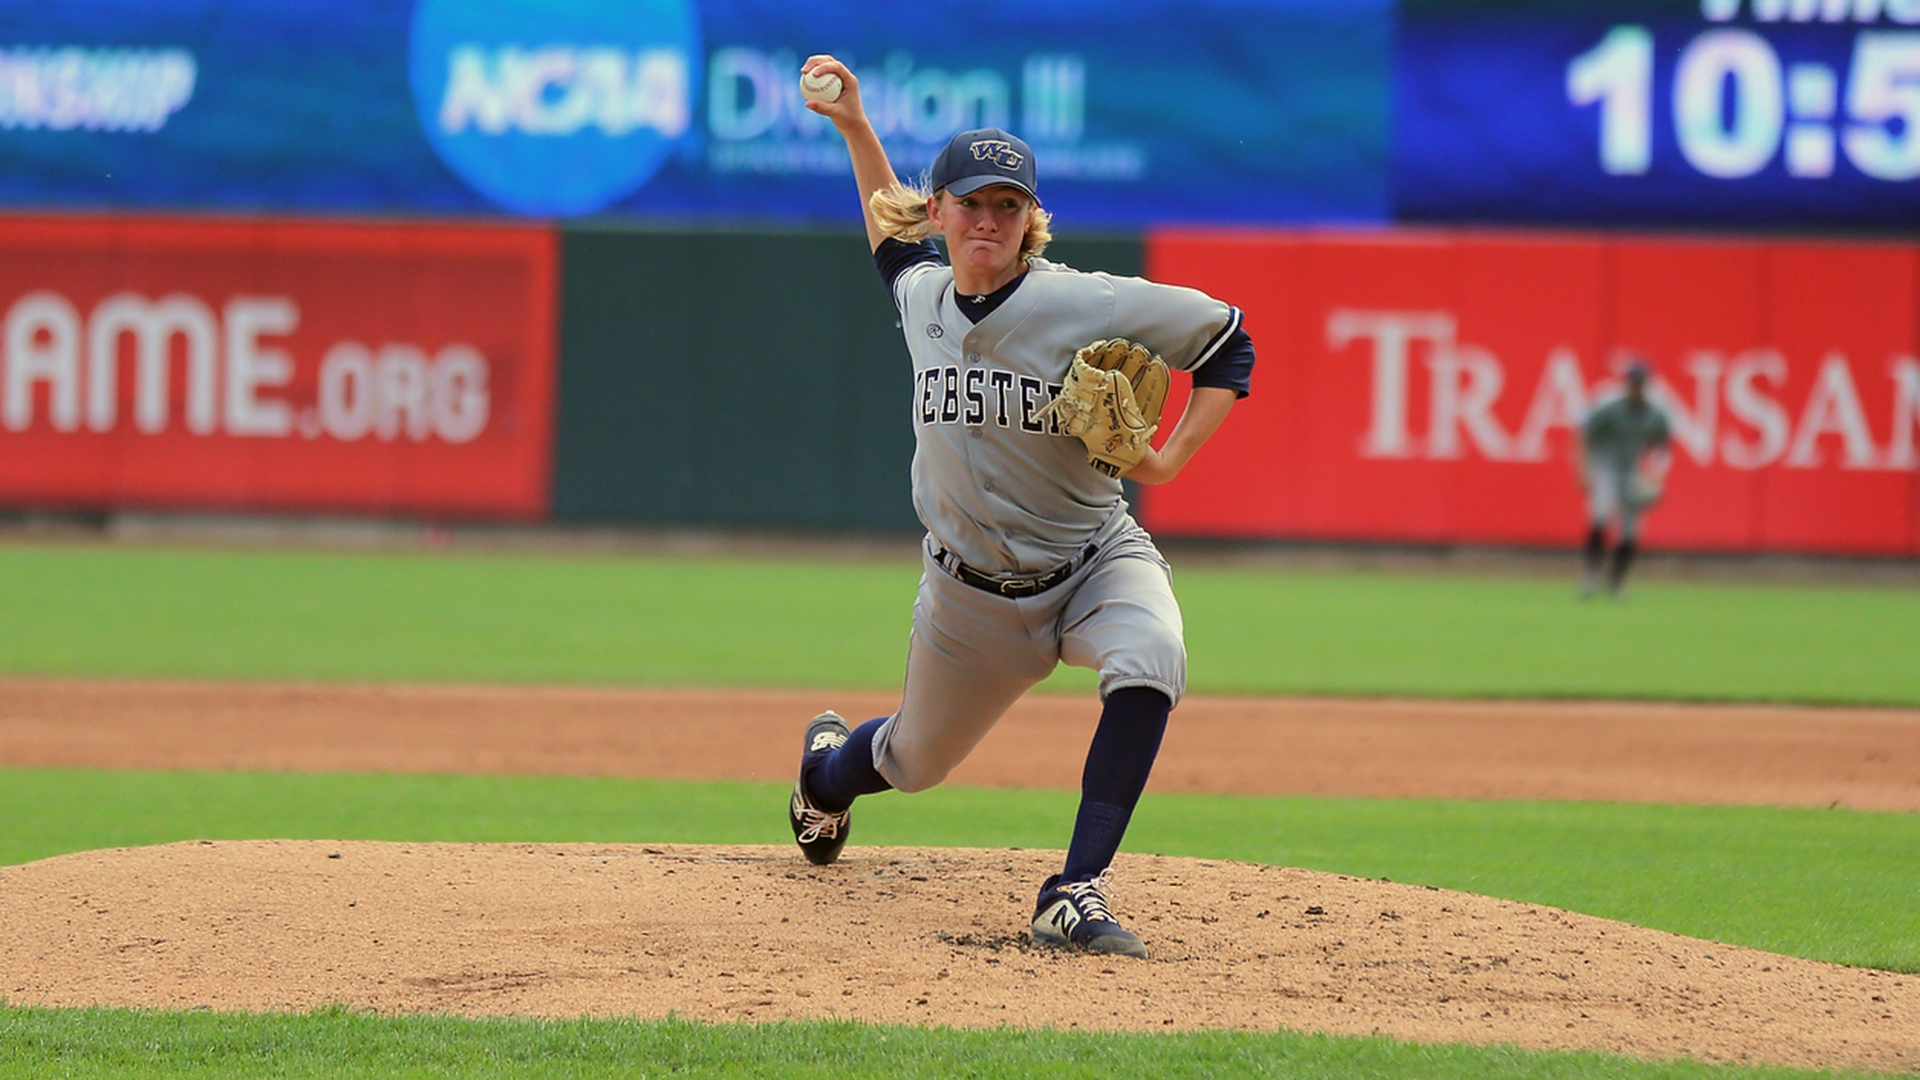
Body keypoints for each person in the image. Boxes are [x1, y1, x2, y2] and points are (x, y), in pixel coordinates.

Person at [784, 54, 1256, 959]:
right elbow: (885, 233)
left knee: (1152, 656)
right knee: (913, 762)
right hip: (970, 597)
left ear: (1031, 219)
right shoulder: (922, 297)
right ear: (939, 211)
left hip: (1093, 561)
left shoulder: (1087, 301)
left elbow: (1228, 341)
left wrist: (1164, 462)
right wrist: (855, 126)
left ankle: (1073, 890)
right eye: (971, 203)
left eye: (1009, 205)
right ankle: (822, 779)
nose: (989, 220)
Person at [1577, 358, 1671, 598]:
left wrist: (1656, 476)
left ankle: (1617, 582)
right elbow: (1586, 435)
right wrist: (1583, 469)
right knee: (1599, 519)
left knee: (1629, 533)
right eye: (1633, 383)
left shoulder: (1655, 414)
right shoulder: (1611, 408)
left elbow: (1662, 446)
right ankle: (1591, 576)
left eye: (1640, 383)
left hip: (1631, 472)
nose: (1636, 387)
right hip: (1605, 467)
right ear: (1627, 384)